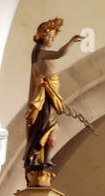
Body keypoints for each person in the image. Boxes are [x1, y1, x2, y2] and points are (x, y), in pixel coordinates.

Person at [24, 17, 84, 175]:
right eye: (49, 37)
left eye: (53, 37)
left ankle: (45, 158)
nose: (51, 39)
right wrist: (71, 42)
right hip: (45, 95)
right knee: (45, 126)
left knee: (53, 127)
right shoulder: (41, 53)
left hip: (52, 95)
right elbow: (59, 53)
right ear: (42, 36)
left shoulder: (41, 53)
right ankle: (36, 157)